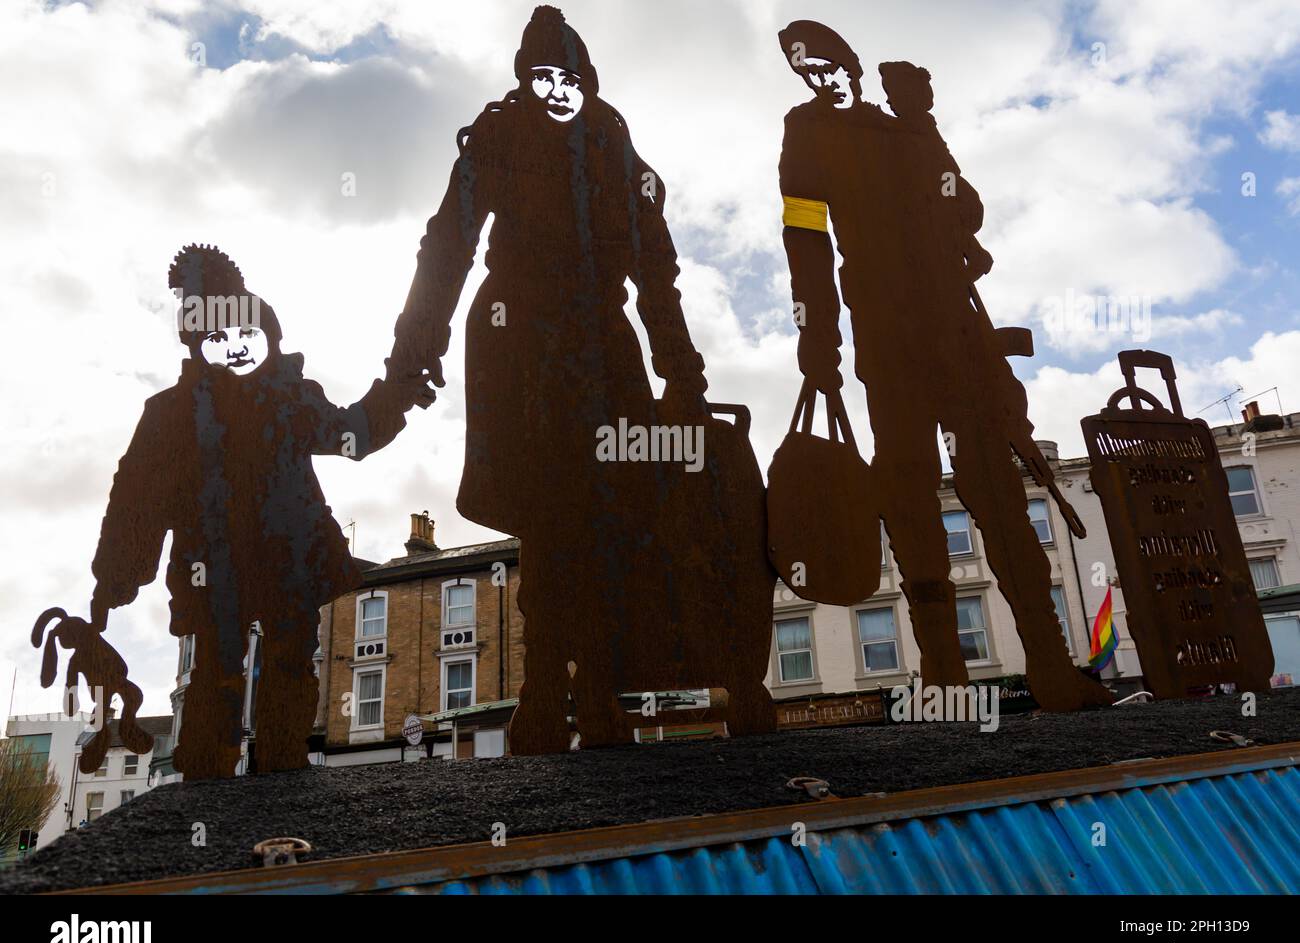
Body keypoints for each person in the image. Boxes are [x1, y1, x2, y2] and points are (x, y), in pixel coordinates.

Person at [391, 6, 732, 753]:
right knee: (549, 513)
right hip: (518, 339)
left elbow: (658, 273)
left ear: (589, 80)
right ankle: (550, 686)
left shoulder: (620, 155)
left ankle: (592, 688)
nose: (554, 89)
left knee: (613, 509)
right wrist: (415, 347)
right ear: (524, 80)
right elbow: (447, 244)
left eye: (567, 76)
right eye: (540, 75)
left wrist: (682, 373)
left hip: (603, 340)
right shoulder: (497, 137)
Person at [776, 21, 1111, 711]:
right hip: (884, 335)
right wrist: (819, 340)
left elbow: (968, 208)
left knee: (994, 485)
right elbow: (805, 239)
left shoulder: (903, 128)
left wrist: (923, 123)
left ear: (852, 64)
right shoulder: (806, 133)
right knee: (907, 487)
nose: (822, 78)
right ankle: (944, 671)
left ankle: (1050, 664)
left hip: (954, 331)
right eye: (807, 70)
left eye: (829, 64)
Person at [88, 244, 433, 779]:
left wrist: (397, 392)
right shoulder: (172, 413)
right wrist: (116, 577)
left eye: (246, 333)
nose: (235, 347)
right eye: (217, 338)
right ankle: (211, 772)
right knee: (219, 668)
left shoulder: (288, 398)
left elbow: (351, 434)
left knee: (289, 661)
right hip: (215, 563)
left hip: (286, 556)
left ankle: (279, 764)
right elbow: (136, 498)